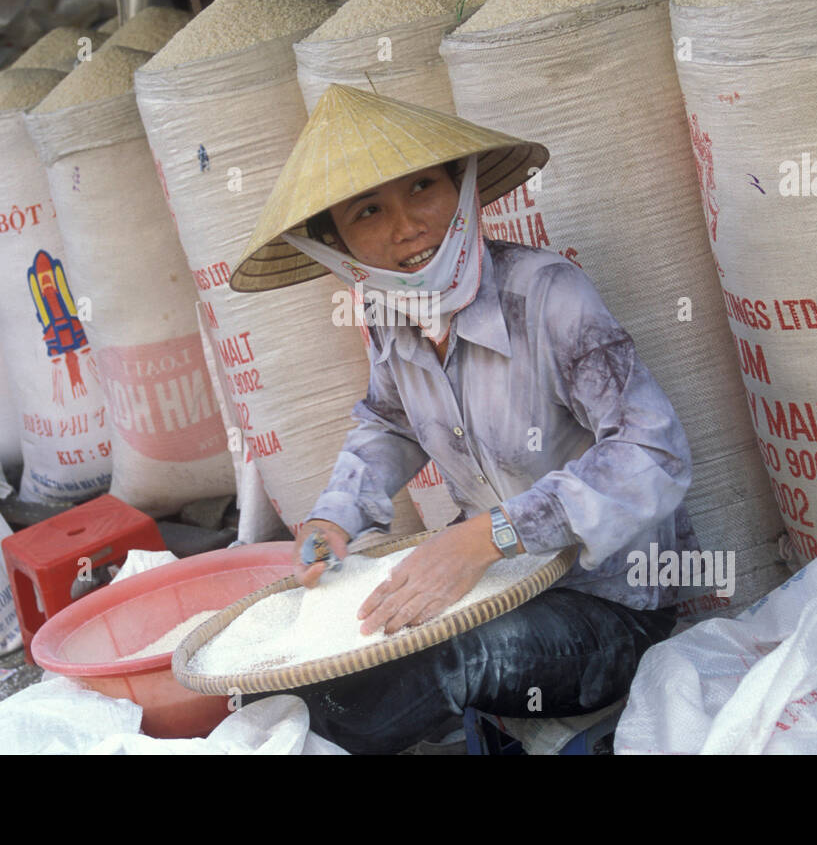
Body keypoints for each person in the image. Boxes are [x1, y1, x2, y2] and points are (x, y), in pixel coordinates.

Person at [229, 85, 697, 753]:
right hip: (501, 583)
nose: (407, 226)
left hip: (616, 603)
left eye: (423, 186)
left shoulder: (549, 296)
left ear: (462, 186)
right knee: (310, 670)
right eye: (369, 210)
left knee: (444, 659)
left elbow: (656, 453)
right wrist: (337, 514)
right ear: (339, 246)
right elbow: (387, 421)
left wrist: (491, 534)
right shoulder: (391, 316)